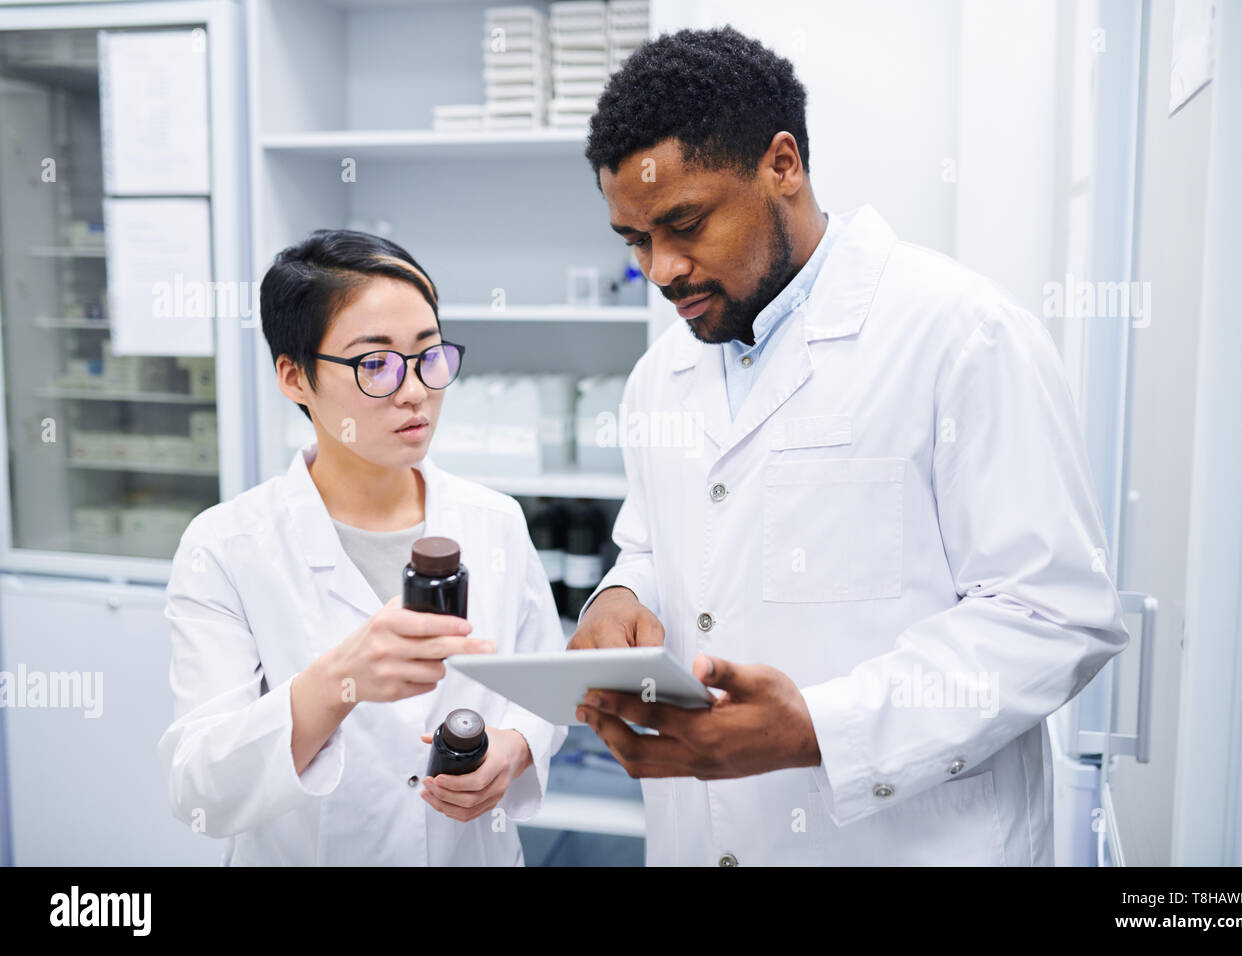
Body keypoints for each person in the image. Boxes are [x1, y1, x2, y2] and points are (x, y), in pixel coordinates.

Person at [568, 27, 1130, 866]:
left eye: (685, 224)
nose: (662, 269)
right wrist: (617, 595)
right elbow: (653, 545)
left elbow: (1054, 615)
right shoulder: (661, 378)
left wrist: (821, 729)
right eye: (636, 241)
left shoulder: (960, 335)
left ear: (781, 165)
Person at [157, 230, 567, 865]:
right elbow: (199, 786)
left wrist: (516, 748)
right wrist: (337, 683)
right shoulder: (225, 547)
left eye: (429, 355)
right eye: (375, 364)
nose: (415, 390)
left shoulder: (495, 521)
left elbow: (544, 690)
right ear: (295, 377)